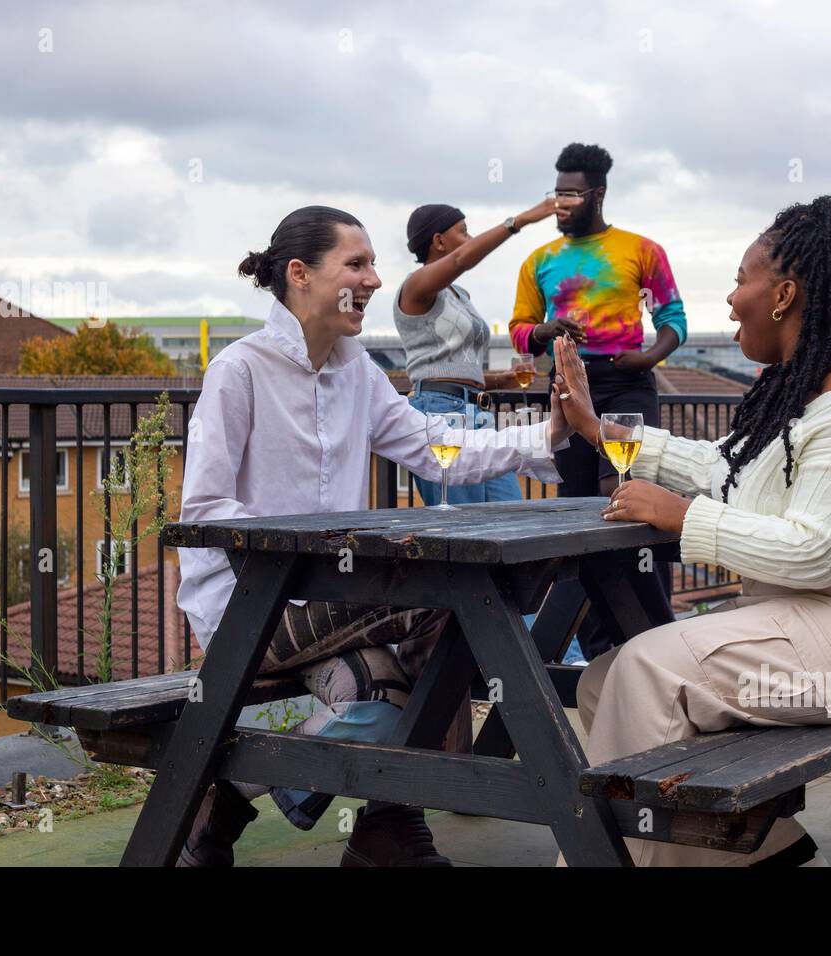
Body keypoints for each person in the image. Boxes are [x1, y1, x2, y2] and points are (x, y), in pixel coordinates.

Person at [550, 195, 831, 867]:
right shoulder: (806, 388)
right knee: (604, 680)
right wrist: (601, 432)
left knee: (648, 674)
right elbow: (720, 466)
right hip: (822, 619)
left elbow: (818, 549)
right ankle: (754, 850)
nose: (732, 298)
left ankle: (613, 859)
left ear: (785, 293)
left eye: (743, 279)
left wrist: (681, 516)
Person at [175, 205, 572, 867]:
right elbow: (207, 510)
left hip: (340, 607)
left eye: (373, 263)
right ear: (300, 275)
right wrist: (314, 552)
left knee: (383, 690)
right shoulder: (238, 370)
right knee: (451, 601)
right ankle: (435, 811)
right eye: (356, 264)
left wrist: (547, 437)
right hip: (249, 610)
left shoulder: (356, 370)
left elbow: (435, 445)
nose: (375, 279)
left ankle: (278, 805)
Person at [510, 142, 686, 660]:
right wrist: (545, 330)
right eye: (556, 193)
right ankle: (596, 649)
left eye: (570, 193)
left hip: (626, 383)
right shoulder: (539, 260)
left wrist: (648, 357)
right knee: (578, 509)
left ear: (597, 194)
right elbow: (521, 332)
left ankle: (654, 635)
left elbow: (673, 319)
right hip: (568, 387)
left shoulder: (641, 249)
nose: (561, 203)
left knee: (630, 503)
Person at [395, 196, 578, 504]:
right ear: (438, 240)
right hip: (439, 413)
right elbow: (460, 260)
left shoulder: (459, 294)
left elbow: (450, 366)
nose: (469, 238)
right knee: (463, 526)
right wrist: (520, 220)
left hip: (476, 413)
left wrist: (499, 380)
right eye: (463, 231)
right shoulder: (416, 287)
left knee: (510, 517)